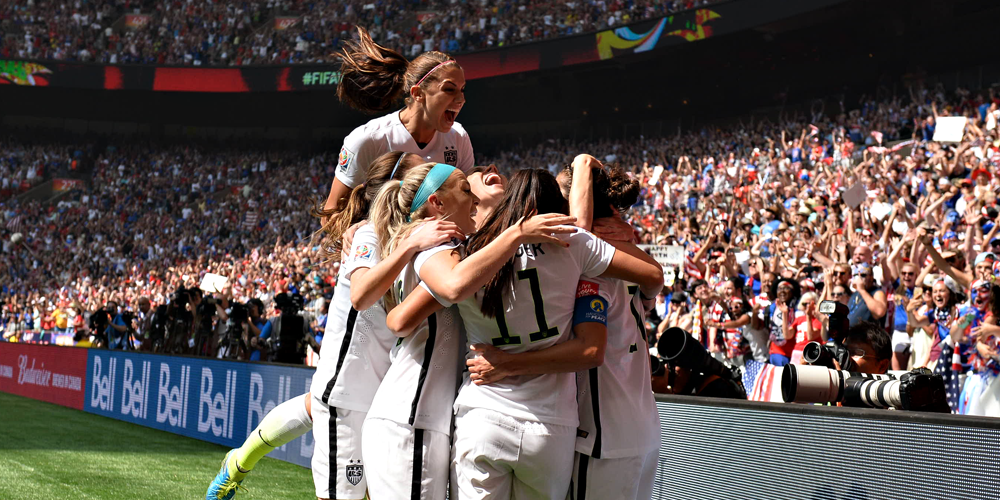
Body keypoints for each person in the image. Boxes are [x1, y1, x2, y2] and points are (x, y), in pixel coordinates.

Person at [386, 168, 663, 500]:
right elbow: (652, 274)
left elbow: (401, 319)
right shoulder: (573, 241)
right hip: (552, 426)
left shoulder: (463, 255)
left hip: (482, 412)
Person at [363, 164, 578, 499]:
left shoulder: (461, 250)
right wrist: (516, 233)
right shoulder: (443, 251)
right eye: (467, 187)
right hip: (411, 411)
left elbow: (398, 320)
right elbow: (436, 296)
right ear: (437, 203)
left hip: (423, 413)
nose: (475, 194)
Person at [322, 27, 473, 215]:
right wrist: (358, 232)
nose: (461, 99)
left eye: (463, 90)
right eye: (450, 89)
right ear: (418, 93)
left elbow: (470, 205)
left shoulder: (458, 137)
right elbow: (331, 214)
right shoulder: (369, 139)